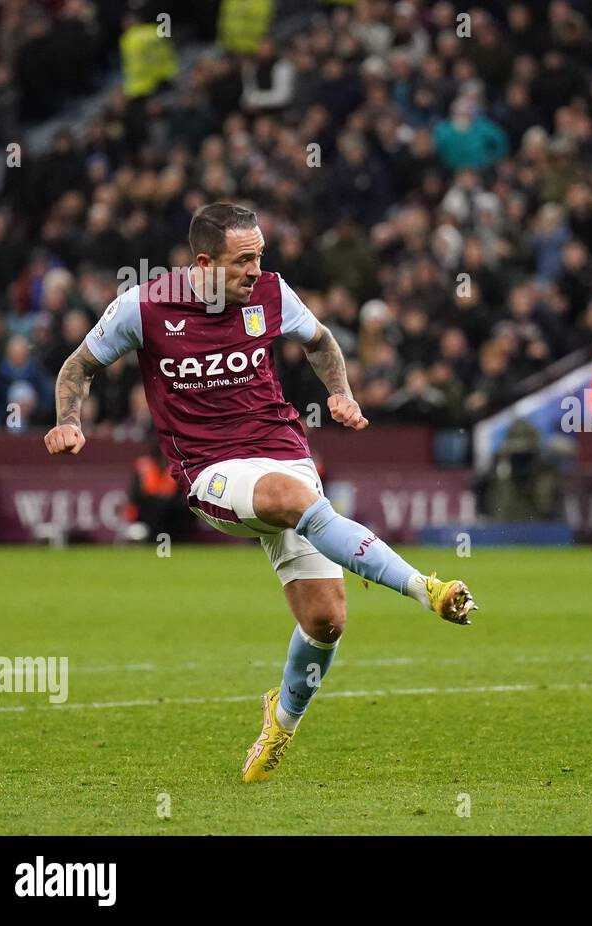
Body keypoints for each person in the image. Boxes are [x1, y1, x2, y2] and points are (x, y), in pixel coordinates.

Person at [43, 203, 477, 780]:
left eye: (260, 256)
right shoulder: (143, 307)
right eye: (243, 260)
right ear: (203, 262)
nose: (256, 270)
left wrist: (341, 393)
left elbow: (320, 342)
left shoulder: (272, 293)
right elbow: (77, 367)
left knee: (326, 621)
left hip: (285, 452)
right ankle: (426, 588)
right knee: (296, 502)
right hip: (210, 468)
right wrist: (68, 419)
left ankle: (281, 725)